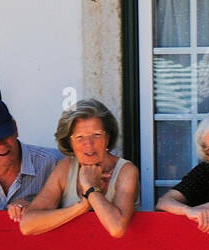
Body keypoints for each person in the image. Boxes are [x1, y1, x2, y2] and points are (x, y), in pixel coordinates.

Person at [20, 99, 139, 239]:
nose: (88, 144)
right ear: (69, 142)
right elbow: (27, 225)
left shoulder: (126, 171)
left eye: (96, 135)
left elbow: (116, 228)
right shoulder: (65, 167)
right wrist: (82, 206)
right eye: (79, 137)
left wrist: (90, 188)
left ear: (108, 137)